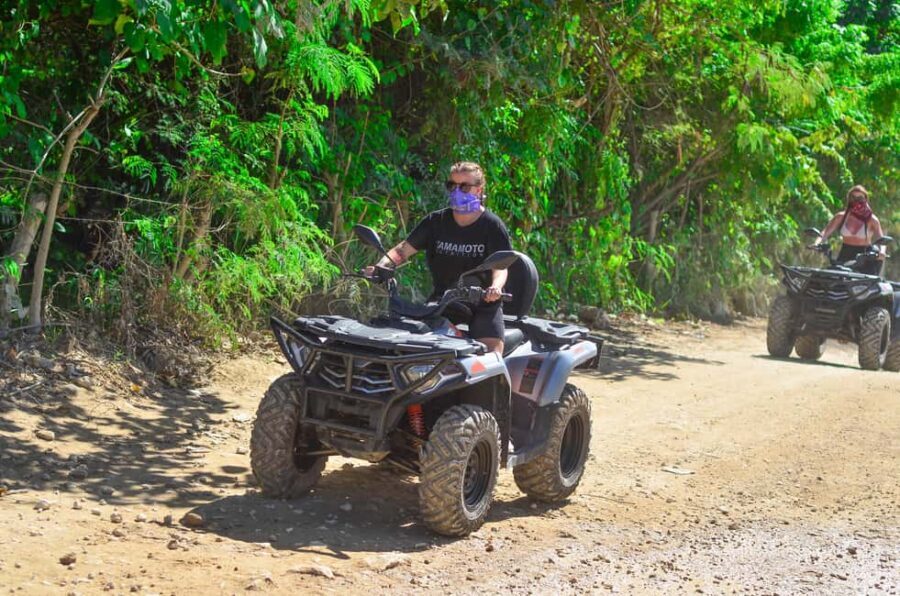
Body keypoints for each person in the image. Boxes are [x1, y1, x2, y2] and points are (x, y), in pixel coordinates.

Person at [368, 161, 512, 354]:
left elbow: (501, 267)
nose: (457, 191)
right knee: (408, 350)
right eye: (452, 185)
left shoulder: (492, 226)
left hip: (482, 304)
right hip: (442, 302)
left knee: (491, 360)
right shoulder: (435, 222)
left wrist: (495, 288)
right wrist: (382, 266)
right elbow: (402, 250)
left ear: (479, 190)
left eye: (464, 186)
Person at [814, 185, 887, 276]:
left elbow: (882, 240)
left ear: (865, 199)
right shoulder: (841, 217)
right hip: (846, 253)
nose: (856, 201)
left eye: (860, 198)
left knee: (863, 285)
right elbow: (825, 233)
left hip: (865, 256)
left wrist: (882, 253)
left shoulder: (872, 219)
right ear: (849, 199)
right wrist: (817, 243)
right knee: (836, 281)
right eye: (853, 197)